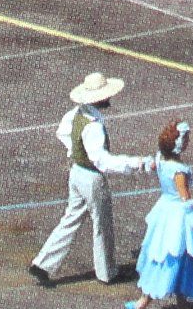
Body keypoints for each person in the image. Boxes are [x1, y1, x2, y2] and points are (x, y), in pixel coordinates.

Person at [30, 72, 154, 287]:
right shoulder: (94, 126)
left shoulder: (77, 113)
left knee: (70, 218)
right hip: (91, 178)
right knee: (102, 224)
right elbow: (102, 161)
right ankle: (107, 273)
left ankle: (43, 263)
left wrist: (75, 151)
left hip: (76, 172)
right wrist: (138, 163)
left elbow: (62, 133)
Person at [124, 122, 193, 309]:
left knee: (180, 261)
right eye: (185, 138)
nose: (188, 142)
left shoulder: (160, 158)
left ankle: (182, 308)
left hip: (164, 212)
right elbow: (186, 200)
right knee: (171, 262)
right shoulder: (179, 171)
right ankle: (139, 306)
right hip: (178, 218)